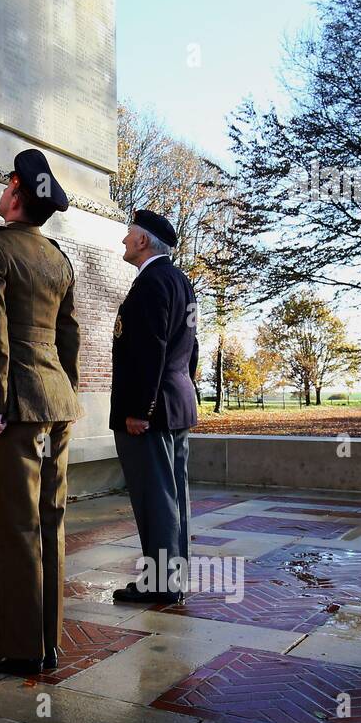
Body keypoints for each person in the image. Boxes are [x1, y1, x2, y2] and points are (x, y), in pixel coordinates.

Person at [0, 148, 83, 676]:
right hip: (56, 401)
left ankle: (18, 649)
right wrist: (63, 394)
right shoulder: (58, 257)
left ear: (15, 193)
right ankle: (48, 641)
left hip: (17, 405)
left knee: (13, 527)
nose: (3, 188)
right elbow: (69, 336)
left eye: (7, 181)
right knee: (50, 522)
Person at [110, 209, 199, 604]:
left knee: (156, 499)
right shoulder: (181, 281)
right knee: (175, 495)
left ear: (143, 241)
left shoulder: (151, 283)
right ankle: (172, 579)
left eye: (129, 234)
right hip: (176, 403)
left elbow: (149, 351)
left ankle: (161, 584)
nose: (124, 241)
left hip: (152, 410)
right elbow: (190, 347)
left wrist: (139, 409)